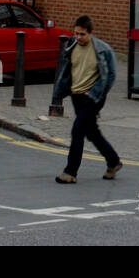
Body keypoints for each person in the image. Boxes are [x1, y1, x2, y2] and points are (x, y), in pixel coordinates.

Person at [49, 15, 121, 182]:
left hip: (93, 98)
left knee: (77, 131)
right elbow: (67, 71)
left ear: (91, 33)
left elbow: (111, 75)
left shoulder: (103, 50)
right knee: (92, 132)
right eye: (76, 33)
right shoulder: (71, 46)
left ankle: (70, 172)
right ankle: (113, 161)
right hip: (77, 95)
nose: (79, 37)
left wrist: (97, 92)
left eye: (82, 34)